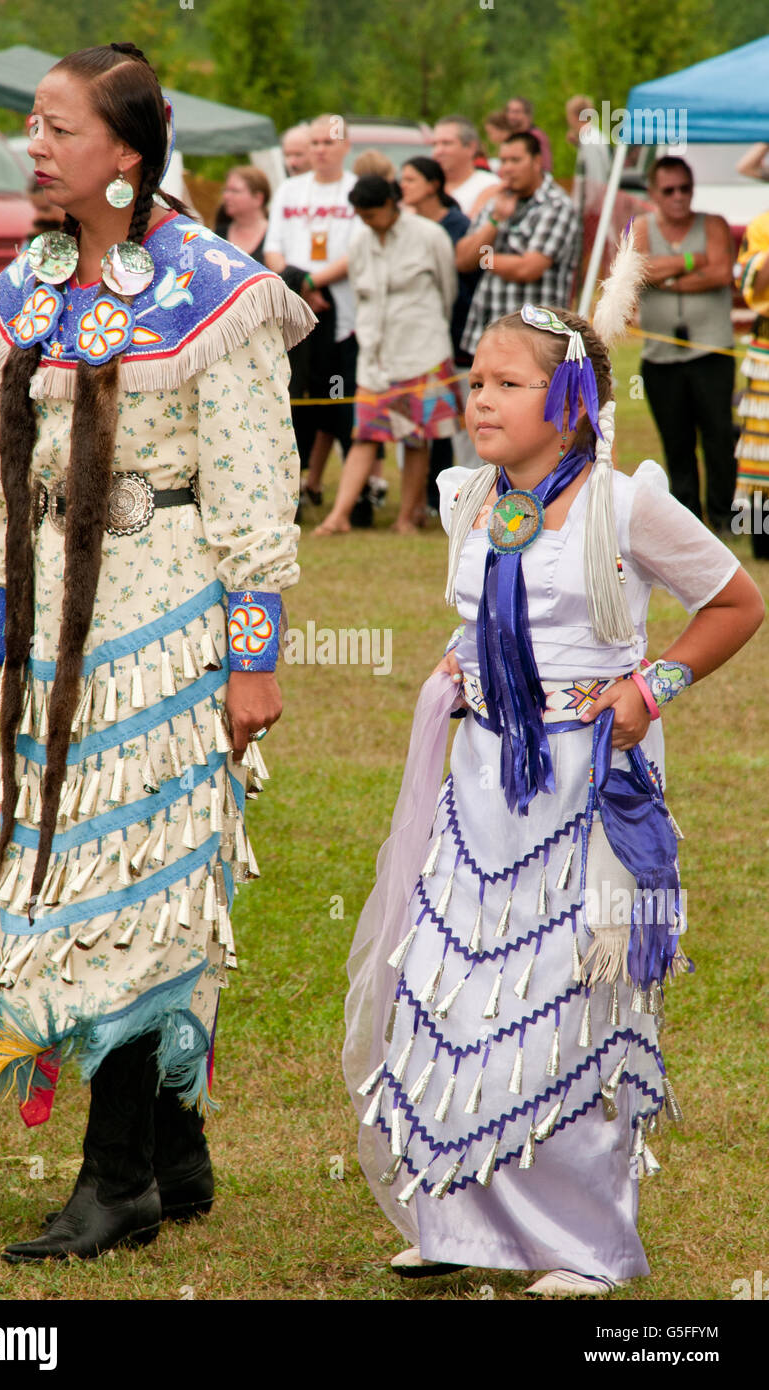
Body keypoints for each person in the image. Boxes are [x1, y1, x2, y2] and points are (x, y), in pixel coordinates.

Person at [0, 42, 313, 1264]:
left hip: (166, 618)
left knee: (140, 872)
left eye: (55, 129)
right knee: (72, 857)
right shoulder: (36, 279)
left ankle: (117, 1181)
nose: (35, 147)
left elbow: (259, 482)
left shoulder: (215, 289)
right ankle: (175, 1147)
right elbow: (10, 485)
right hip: (56, 617)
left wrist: (251, 658)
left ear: (127, 154)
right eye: (35, 127)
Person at [343, 236, 765, 1293]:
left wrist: (646, 688)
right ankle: (461, 1217)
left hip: (586, 784)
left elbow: (734, 603)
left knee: (568, 990)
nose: (478, 398)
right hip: (480, 776)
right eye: (473, 380)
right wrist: (463, 673)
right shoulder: (466, 499)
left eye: (505, 383)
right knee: (455, 982)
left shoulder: (627, 505)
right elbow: (489, 616)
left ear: (568, 399)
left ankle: (579, 1240)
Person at [313, 176, 460, 537]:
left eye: (373, 213)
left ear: (393, 202)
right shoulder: (361, 240)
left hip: (422, 349)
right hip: (375, 354)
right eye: (362, 215)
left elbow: (448, 291)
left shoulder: (430, 236)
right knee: (364, 433)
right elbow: (363, 294)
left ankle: (407, 517)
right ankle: (339, 516)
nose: (369, 221)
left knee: (415, 436)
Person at [633, 156, 737, 532]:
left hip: (711, 351)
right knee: (676, 443)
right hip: (660, 359)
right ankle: (688, 521)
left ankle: (725, 517)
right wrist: (692, 260)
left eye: (685, 188)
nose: (679, 197)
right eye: (669, 190)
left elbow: (722, 272)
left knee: (719, 438)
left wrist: (665, 275)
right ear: (653, 193)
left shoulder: (713, 223)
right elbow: (638, 270)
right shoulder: (641, 228)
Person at [264, 114, 358, 508]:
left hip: (340, 312)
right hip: (293, 307)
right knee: (291, 395)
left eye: (329, 142)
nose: (321, 150)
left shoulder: (354, 191)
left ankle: (335, 486)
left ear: (345, 146)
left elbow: (356, 253)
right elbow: (272, 251)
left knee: (334, 398)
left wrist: (314, 285)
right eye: (315, 143)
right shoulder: (289, 190)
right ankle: (288, 486)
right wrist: (300, 287)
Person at [457, 133, 580, 355]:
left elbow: (528, 268)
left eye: (515, 160)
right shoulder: (497, 201)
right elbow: (464, 259)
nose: (507, 168)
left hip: (536, 341)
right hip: (488, 333)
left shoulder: (557, 205)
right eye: (503, 161)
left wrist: (484, 258)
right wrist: (495, 220)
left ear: (536, 162)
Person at [400, 156, 477, 496]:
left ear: (433, 184)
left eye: (411, 179)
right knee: (423, 417)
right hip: (417, 337)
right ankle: (434, 495)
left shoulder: (458, 225)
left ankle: (466, 490)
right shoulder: (406, 226)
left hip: (457, 331)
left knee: (456, 419)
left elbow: (454, 284)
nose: (403, 186)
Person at [732, 208, 769, 558]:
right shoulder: (762, 225)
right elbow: (750, 284)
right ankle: (763, 536)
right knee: (761, 444)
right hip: (766, 349)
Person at [432, 117, 498, 217]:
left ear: (471, 147)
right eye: (435, 144)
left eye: (446, 143)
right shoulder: (427, 185)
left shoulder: (489, 185)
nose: (438, 151)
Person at [215, 166, 270, 263]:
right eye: (226, 190)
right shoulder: (219, 234)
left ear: (258, 198)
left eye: (235, 191)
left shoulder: (274, 235)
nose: (226, 196)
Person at [505, 96, 553, 174]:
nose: (511, 116)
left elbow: (545, 167)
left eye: (516, 112)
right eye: (509, 111)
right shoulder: (510, 137)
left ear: (527, 115)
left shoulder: (536, 137)